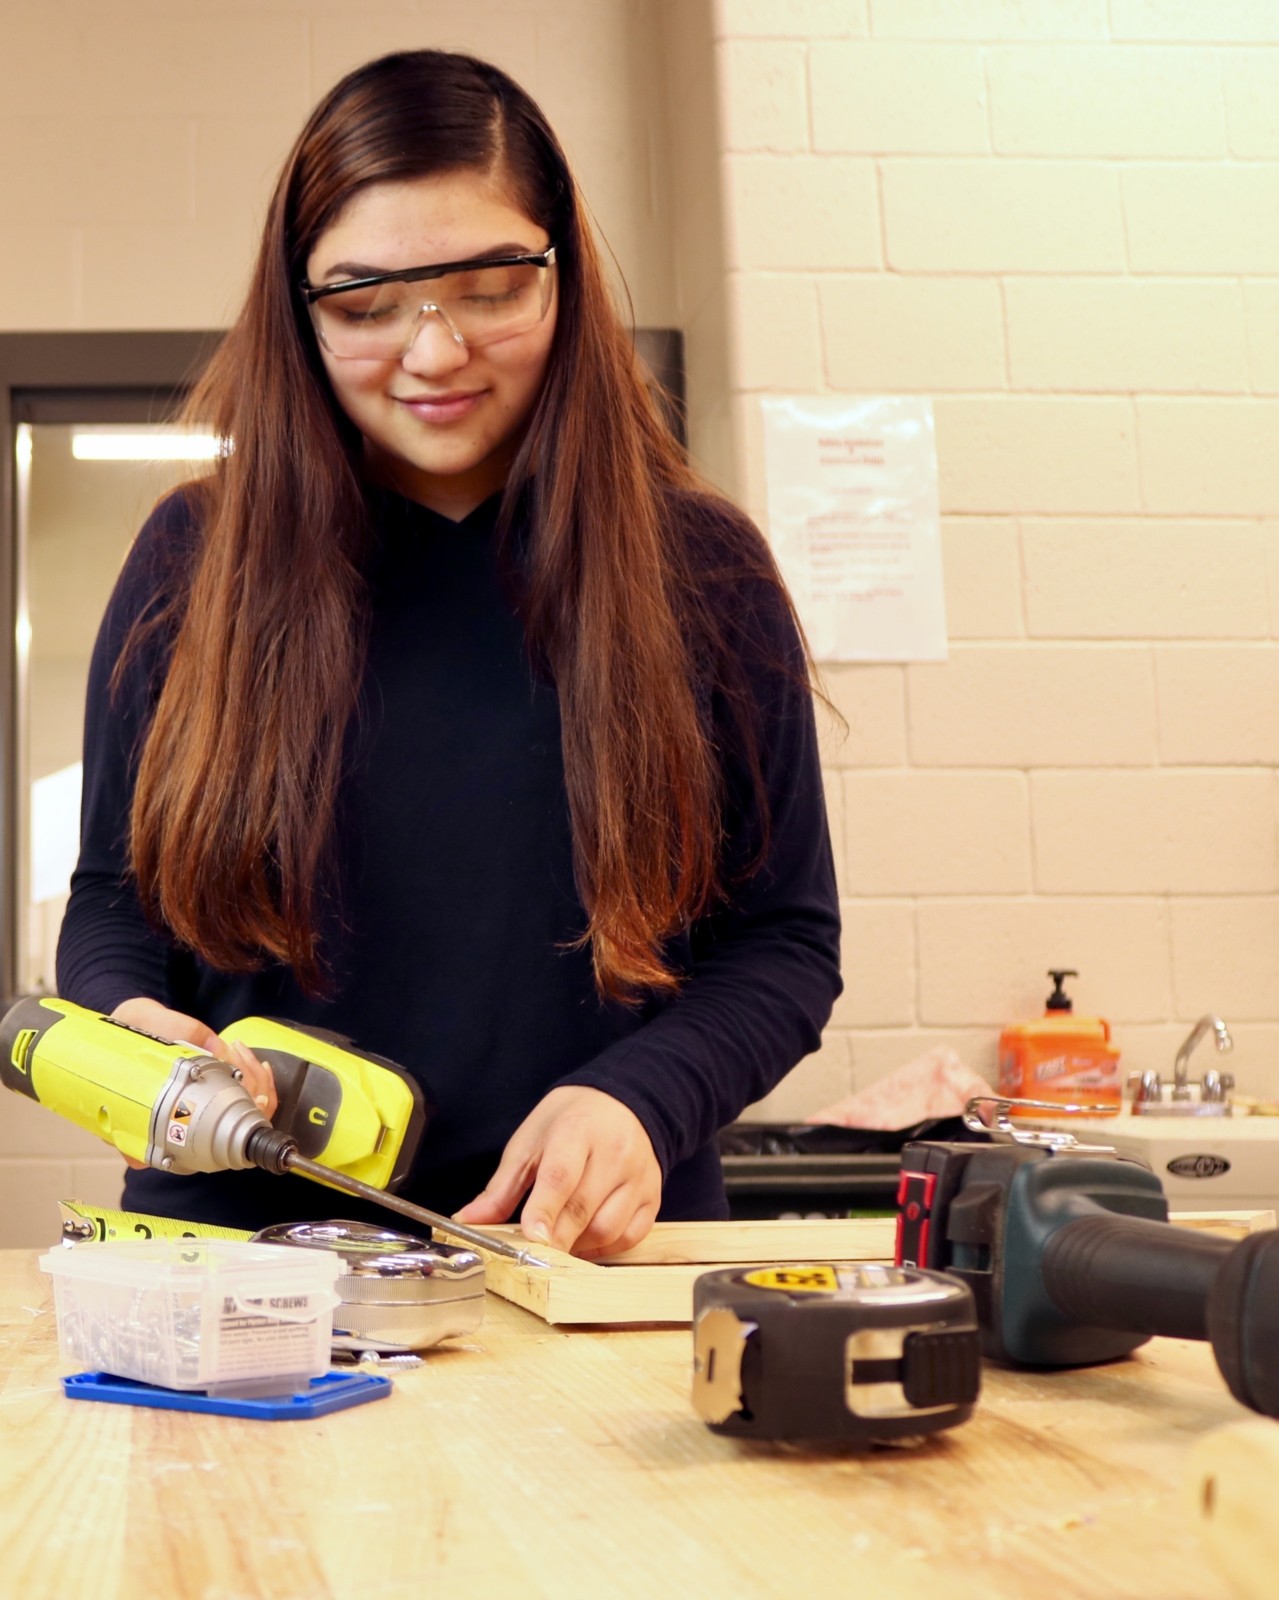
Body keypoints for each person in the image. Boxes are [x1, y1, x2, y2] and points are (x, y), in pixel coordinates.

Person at [56, 49, 842, 1258]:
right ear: (298, 310)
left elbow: (784, 943)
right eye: (366, 305)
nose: (432, 354)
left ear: (565, 278)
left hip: (583, 1257)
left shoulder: (704, 569)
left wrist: (642, 1097)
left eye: (487, 289)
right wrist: (129, 1020)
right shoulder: (191, 560)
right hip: (237, 1267)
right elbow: (115, 896)